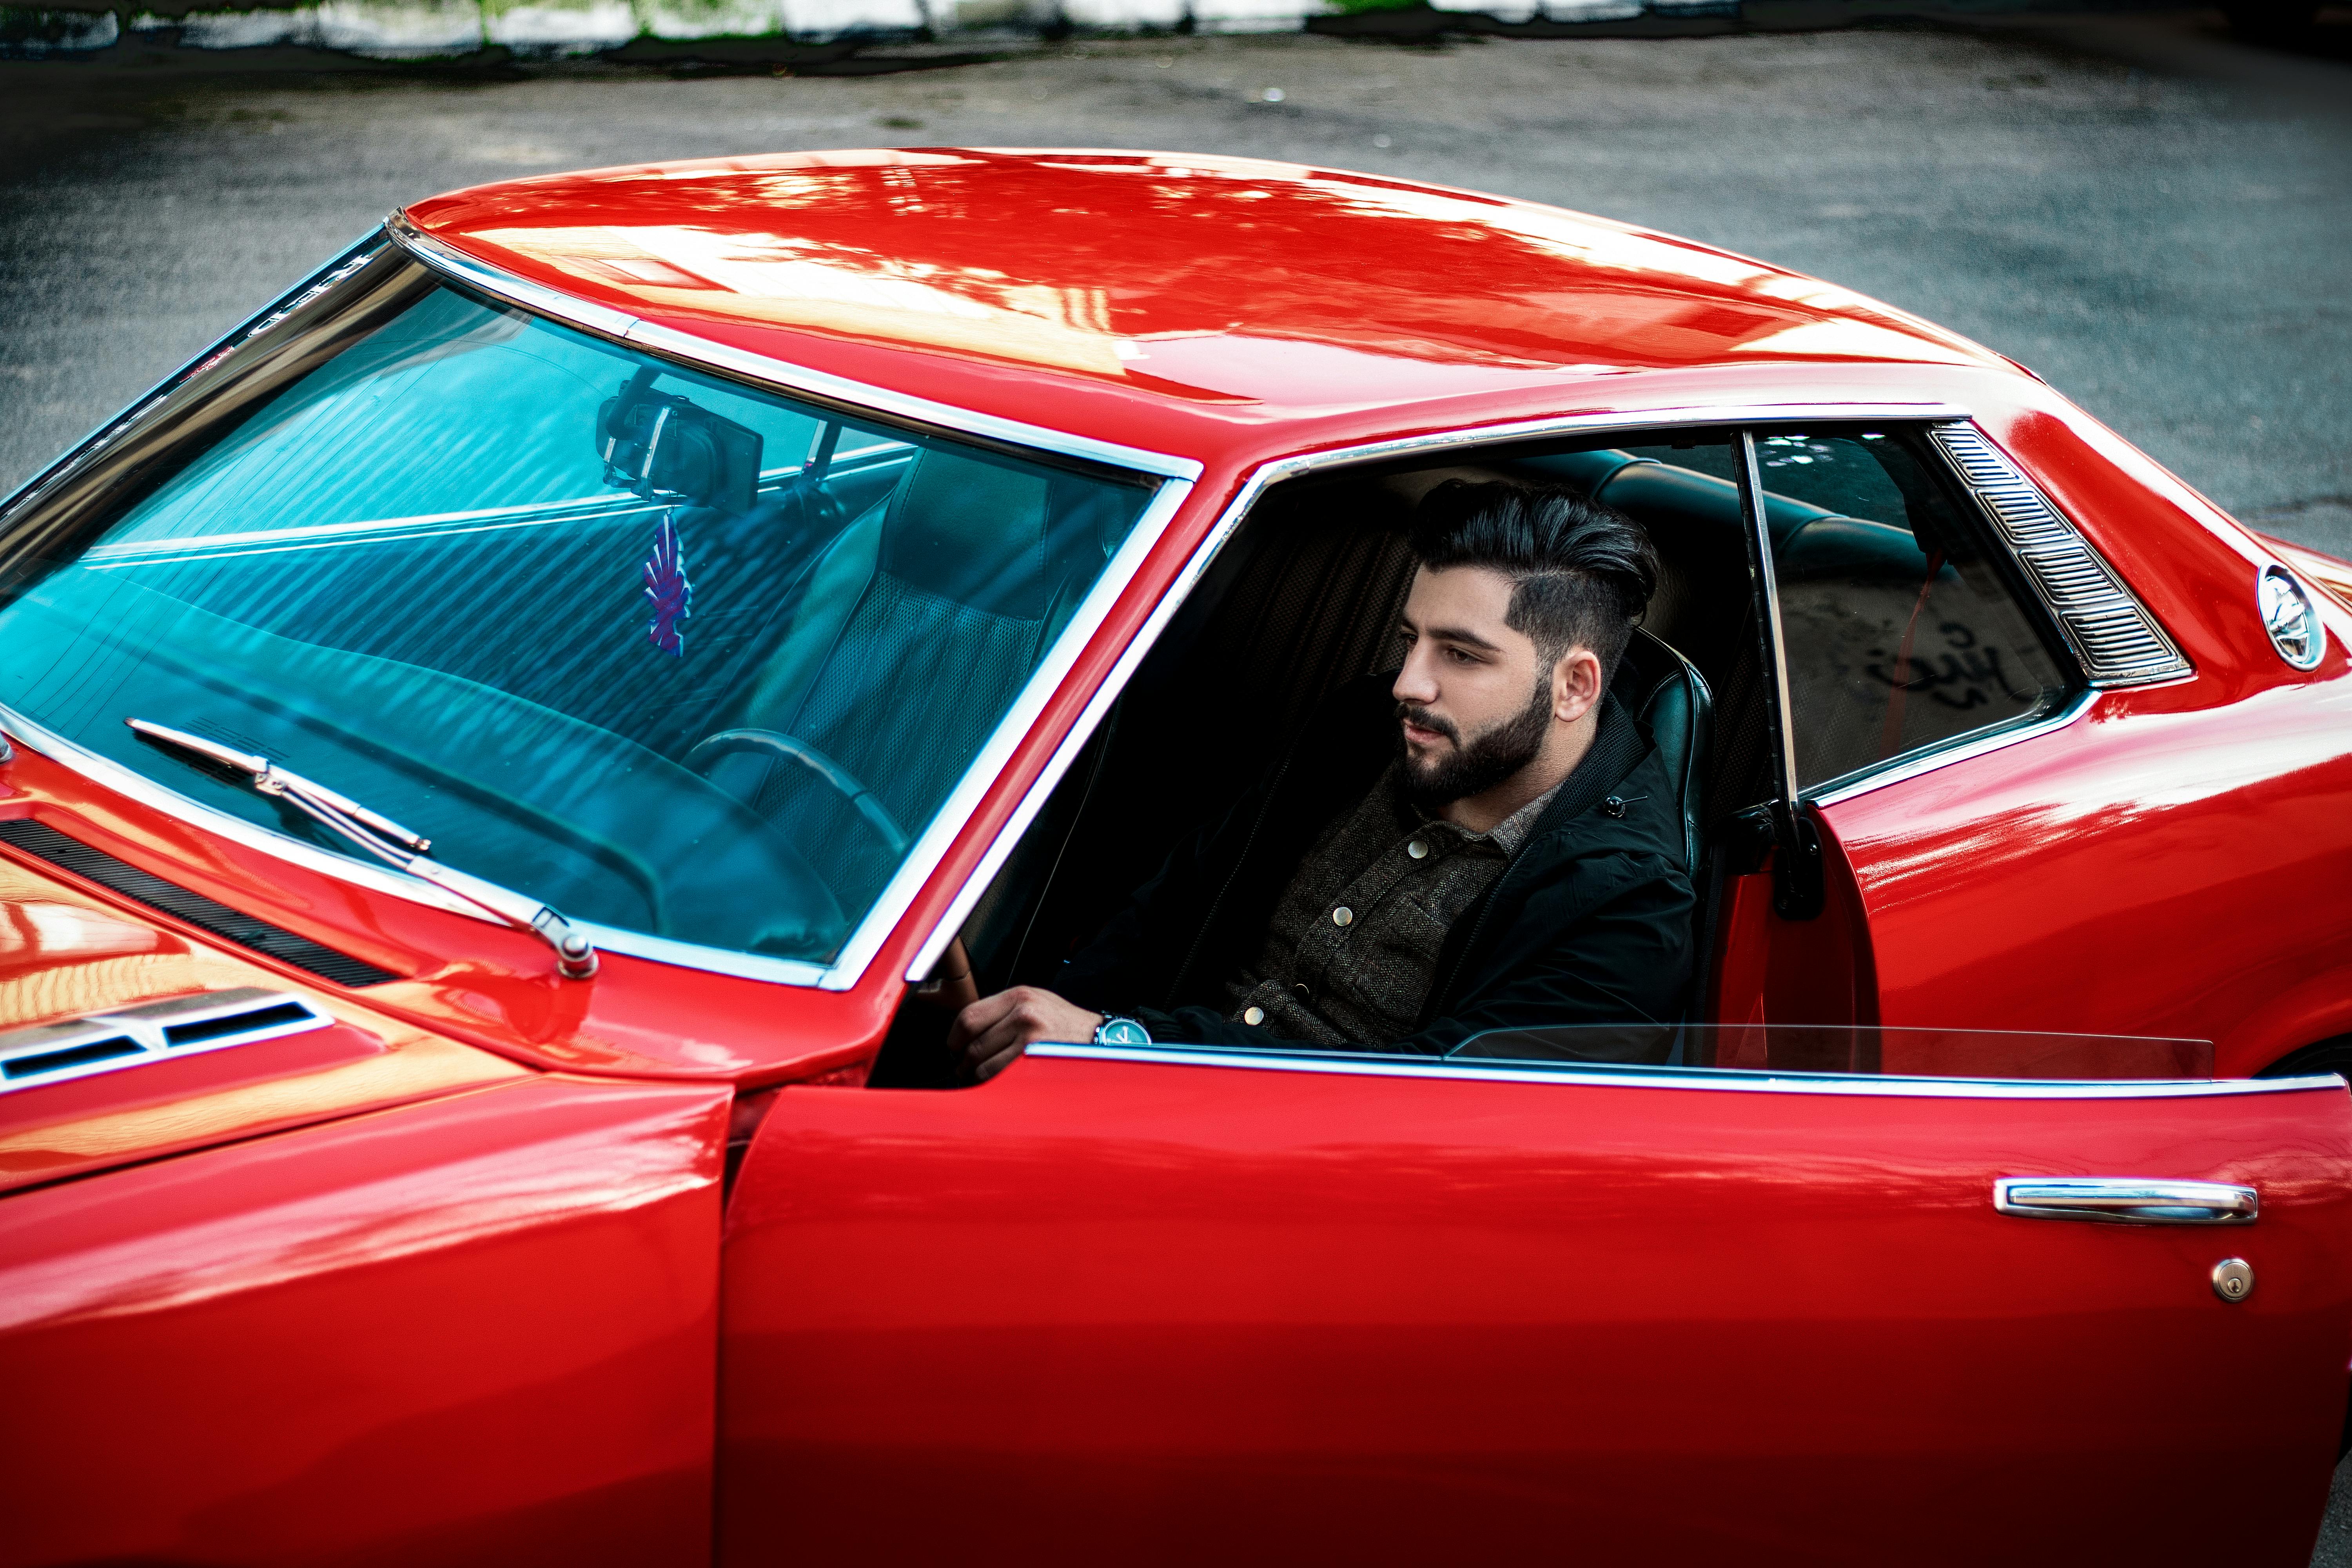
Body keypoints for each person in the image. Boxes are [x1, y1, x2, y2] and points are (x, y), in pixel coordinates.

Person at [946, 479, 1696, 1081]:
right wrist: (1042, 1037)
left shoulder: (1625, 908)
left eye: (1462, 656)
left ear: (1574, 687)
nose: (1409, 683)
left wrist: (1126, 1044)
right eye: (1411, 640)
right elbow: (1180, 897)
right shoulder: (1365, 728)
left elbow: (1432, 1110)